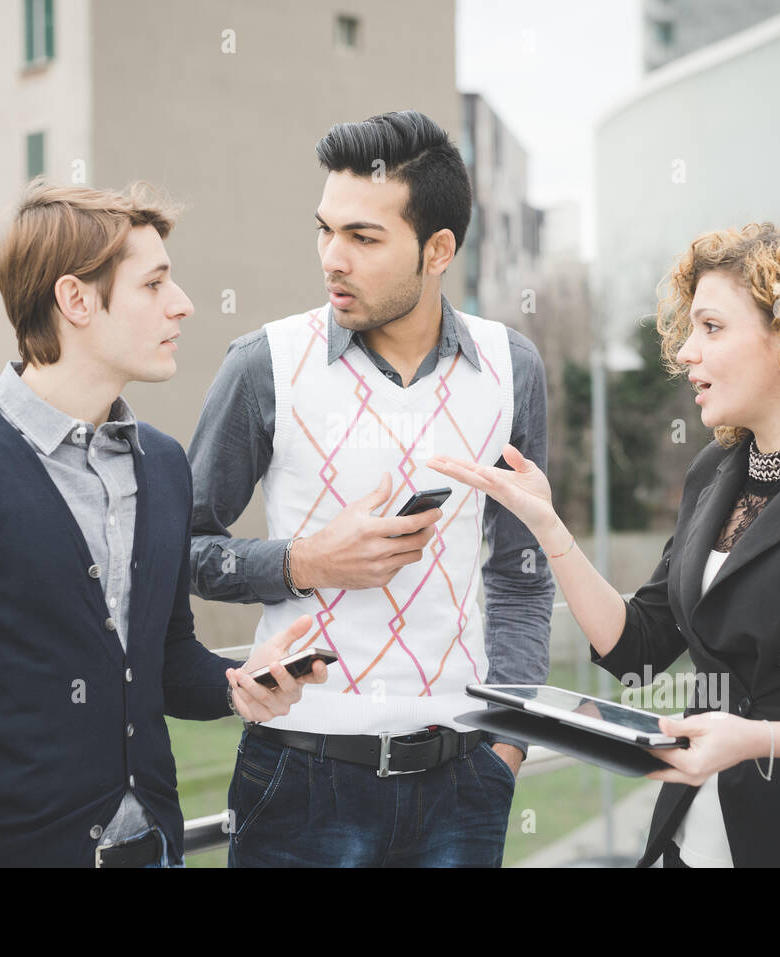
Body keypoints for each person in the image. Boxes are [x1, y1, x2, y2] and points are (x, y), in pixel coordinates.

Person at [431, 223, 780, 867]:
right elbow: (636, 642)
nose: (684, 353)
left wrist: (755, 740)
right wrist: (549, 527)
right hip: (690, 848)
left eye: (711, 328)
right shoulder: (713, 474)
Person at [0, 180, 325, 868]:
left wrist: (238, 681)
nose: (182, 303)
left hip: (156, 850)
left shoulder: (161, 464)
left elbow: (161, 661)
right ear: (75, 300)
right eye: (155, 283)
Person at [188, 111, 554, 867]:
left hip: (462, 781)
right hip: (299, 772)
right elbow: (179, 549)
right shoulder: (262, 364)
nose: (332, 258)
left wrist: (508, 744)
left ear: (439, 249)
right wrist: (304, 562)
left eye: (363, 237)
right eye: (325, 230)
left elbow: (522, 571)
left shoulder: (512, 367)